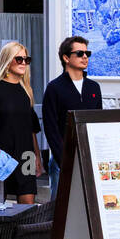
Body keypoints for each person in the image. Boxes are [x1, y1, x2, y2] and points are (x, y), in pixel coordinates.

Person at [0, 42, 43, 203]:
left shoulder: (27, 90)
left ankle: (22, 230)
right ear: (7, 60)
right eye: (18, 59)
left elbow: (32, 128)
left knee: (28, 206)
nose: (23, 63)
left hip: (26, 155)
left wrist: (37, 156)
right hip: (1, 155)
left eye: (26, 60)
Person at [42, 35, 103, 199]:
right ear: (66, 58)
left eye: (87, 53)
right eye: (80, 53)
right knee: (59, 205)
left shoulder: (94, 87)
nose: (85, 57)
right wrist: (63, 157)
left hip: (89, 155)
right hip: (62, 158)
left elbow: (98, 122)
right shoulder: (54, 88)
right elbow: (50, 126)